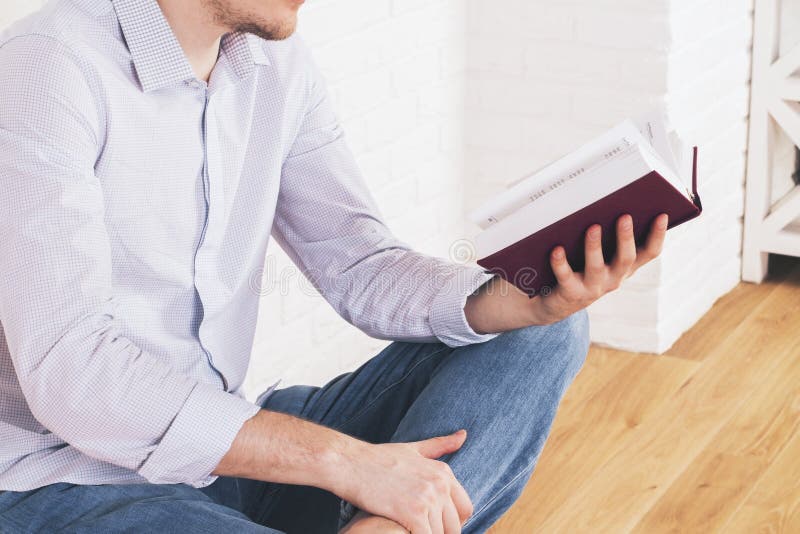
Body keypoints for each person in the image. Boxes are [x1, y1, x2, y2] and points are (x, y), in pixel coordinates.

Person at [0, 0, 668, 532]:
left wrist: (518, 302)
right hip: (64, 483)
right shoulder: (49, 68)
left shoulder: (273, 70)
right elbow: (74, 369)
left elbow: (360, 266)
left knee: (543, 334)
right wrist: (345, 463)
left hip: (224, 460)